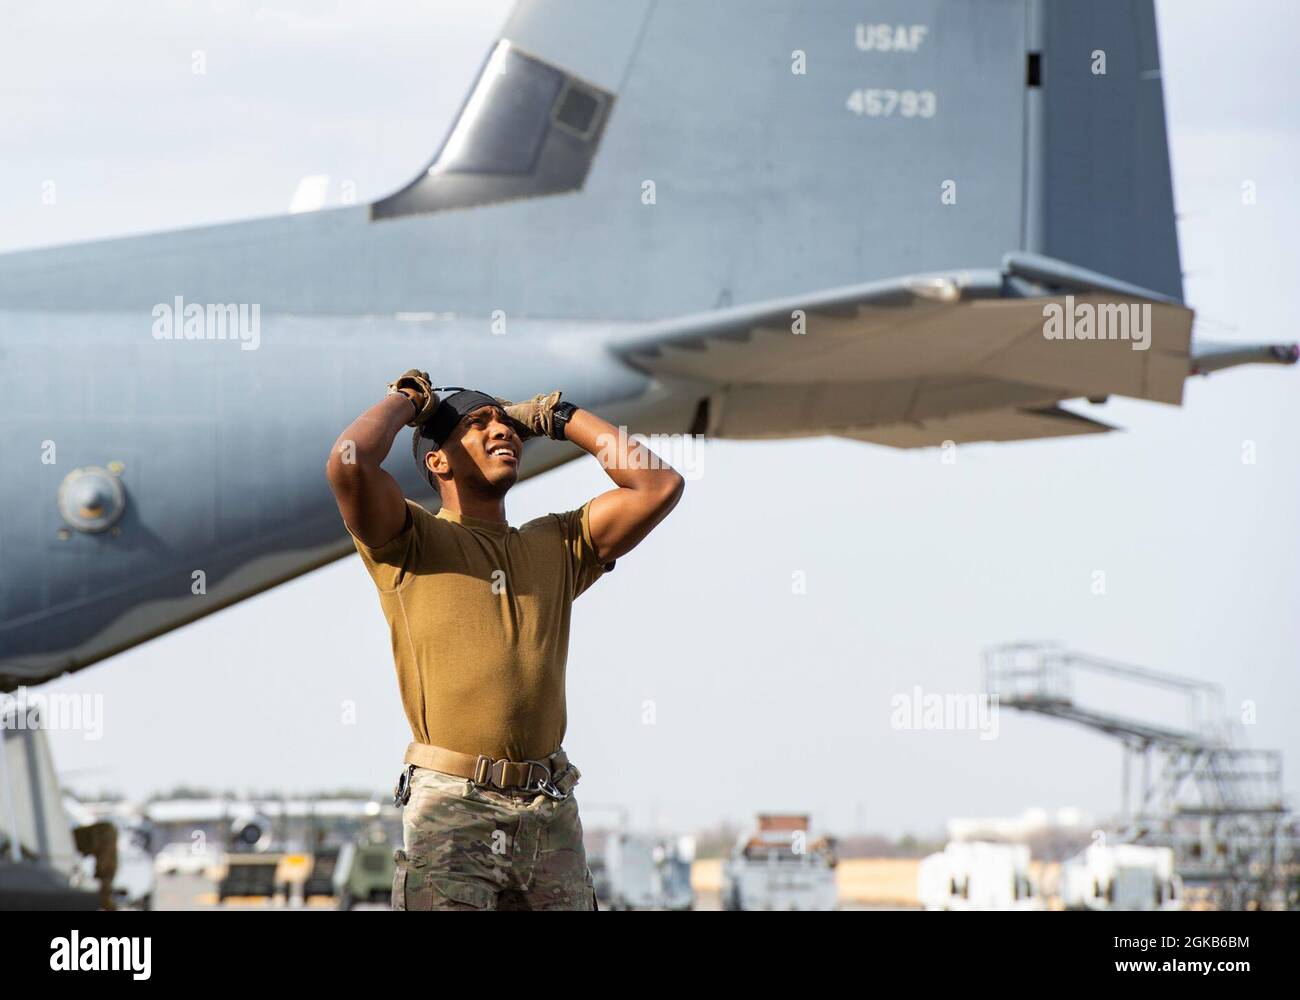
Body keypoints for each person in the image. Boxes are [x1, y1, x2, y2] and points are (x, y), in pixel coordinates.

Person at [325, 371, 684, 909]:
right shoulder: (411, 541)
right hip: (454, 809)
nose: (502, 430)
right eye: (478, 424)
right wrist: (409, 401)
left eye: (508, 423)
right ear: (437, 461)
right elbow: (349, 463)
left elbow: (657, 485)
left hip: (548, 808)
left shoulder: (556, 544)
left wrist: (560, 419)